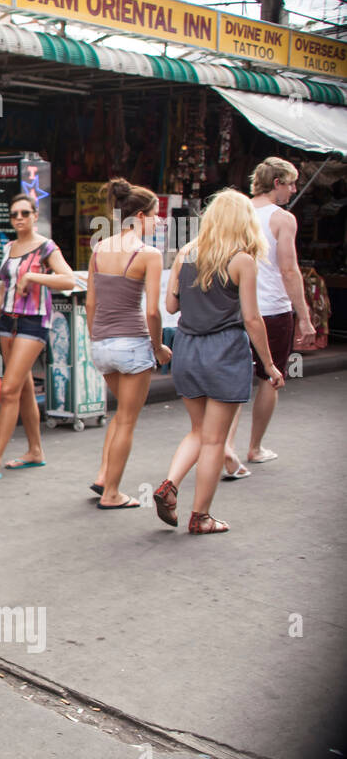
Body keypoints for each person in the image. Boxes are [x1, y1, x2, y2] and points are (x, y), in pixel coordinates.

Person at [153, 189, 284, 535]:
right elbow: (253, 320)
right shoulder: (242, 260)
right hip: (224, 351)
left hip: (187, 349)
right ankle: (201, 517)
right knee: (214, 439)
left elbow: (170, 307)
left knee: (198, 431)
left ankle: (169, 484)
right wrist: (269, 365)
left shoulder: (185, 253)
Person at [0, 194, 76, 482]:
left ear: (34, 215)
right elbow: (2, 291)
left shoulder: (46, 247)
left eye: (24, 213)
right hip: (8, 321)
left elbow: (68, 279)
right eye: (14, 214)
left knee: (9, 391)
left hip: (34, 322)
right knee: (25, 386)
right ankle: (35, 450)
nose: (18, 218)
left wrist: (33, 278)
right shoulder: (8, 247)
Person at [86, 179, 172, 509]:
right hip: (133, 344)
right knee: (126, 420)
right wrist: (159, 346)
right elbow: (152, 310)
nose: (160, 221)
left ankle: (103, 476)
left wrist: (96, 338)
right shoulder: (147, 254)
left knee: (120, 415)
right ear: (139, 215)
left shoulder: (99, 249)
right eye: (156, 214)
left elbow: (91, 304)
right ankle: (111, 494)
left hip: (102, 344)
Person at [224, 158, 315, 467]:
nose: (293, 189)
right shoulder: (282, 219)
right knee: (269, 377)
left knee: (236, 378)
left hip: (236, 306)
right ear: (277, 183)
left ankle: (227, 445)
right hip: (273, 308)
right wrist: (304, 316)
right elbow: (289, 270)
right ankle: (255, 447)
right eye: (291, 183)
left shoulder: (237, 212)